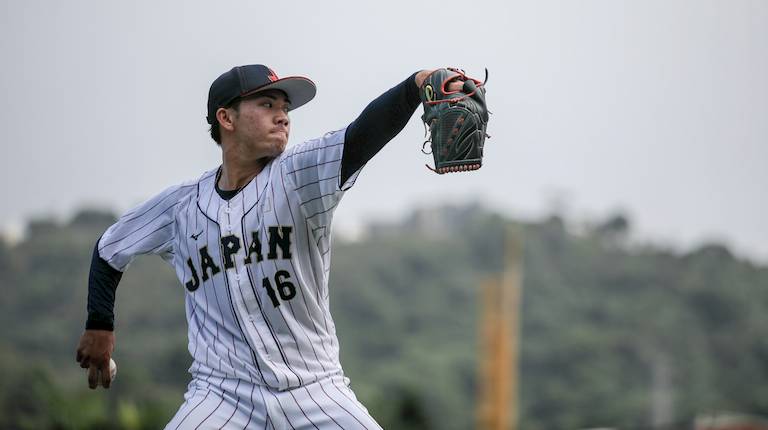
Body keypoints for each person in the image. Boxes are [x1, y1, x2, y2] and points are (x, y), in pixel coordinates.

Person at [75, 64, 460, 429]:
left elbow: (361, 135)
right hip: (221, 394)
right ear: (226, 119)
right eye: (267, 104)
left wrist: (415, 85)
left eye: (285, 107)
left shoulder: (298, 175)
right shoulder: (180, 208)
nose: (283, 115)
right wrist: (99, 324)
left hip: (315, 389)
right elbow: (111, 249)